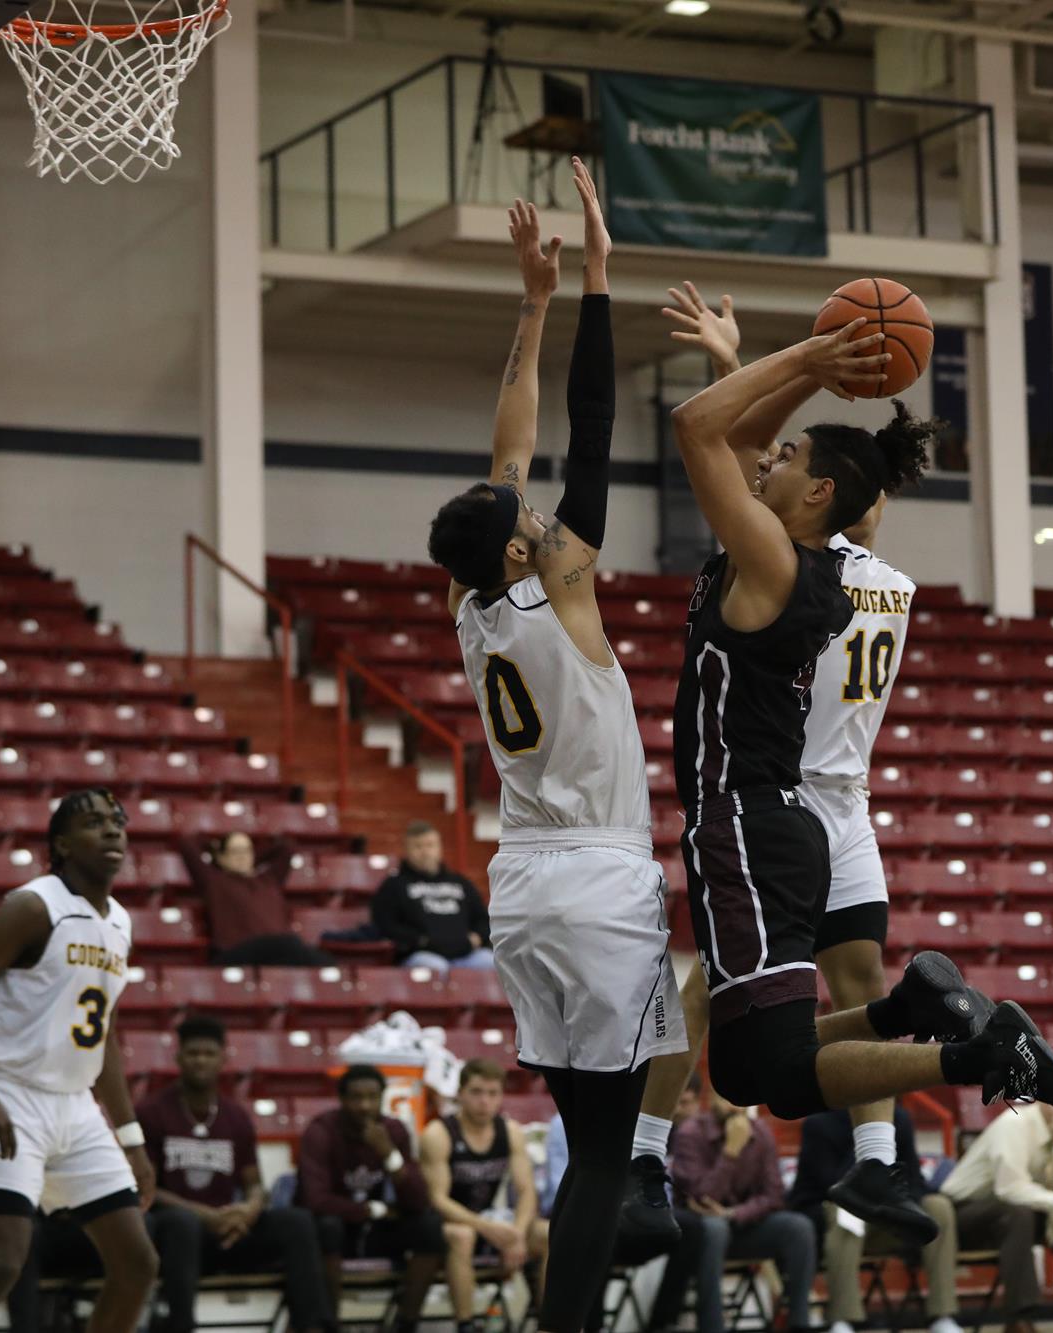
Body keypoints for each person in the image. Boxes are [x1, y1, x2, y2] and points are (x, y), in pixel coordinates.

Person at [626, 288, 1053, 1248]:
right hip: (817, 804)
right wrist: (766, 368)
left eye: (792, 460)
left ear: (824, 497)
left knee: (751, 1039)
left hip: (756, 812)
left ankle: (968, 1054)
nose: (773, 460)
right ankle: (896, 1074)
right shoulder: (858, 574)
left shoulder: (779, 566)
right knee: (768, 1058)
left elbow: (712, 443)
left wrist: (805, 356)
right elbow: (749, 454)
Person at [424, 164, 690, 1333]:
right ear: (525, 553)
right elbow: (588, 428)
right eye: (527, 523)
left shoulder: (472, 605)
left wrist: (527, 307)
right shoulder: (566, 585)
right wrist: (591, 280)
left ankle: (578, 1299)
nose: (537, 514)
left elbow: (510, 454)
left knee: (595, 1142)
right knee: (600, 1150)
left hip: (522, 879)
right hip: (593, 875)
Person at [654, 284, 940, 1241]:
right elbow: (768, 468)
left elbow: (741, 461)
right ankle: (877, 1164)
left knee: (711, 991)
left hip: (777, 792)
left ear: (826, 496)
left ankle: (652, 1146)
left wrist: (765, 370)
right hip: (839, 801)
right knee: (854, 981)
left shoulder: (788, 560)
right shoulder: (891, 584)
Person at [0, 788, 157, 1333]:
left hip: (76, 1107)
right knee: (0, 1264)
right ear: (61, 844)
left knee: (138, 1264)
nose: (111, 831)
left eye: (116, 822)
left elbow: (106, 1039)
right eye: (93, 823)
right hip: (11, 1095)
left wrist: (131, 1138)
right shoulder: (34, 906)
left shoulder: (120, 921)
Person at [137, 1016, 331, 1333]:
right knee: (179, 1224)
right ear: (178, 1058)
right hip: (177, 1236)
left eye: (209, 1054)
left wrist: (249, 1211)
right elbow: (148, 1190)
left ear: (223, 1059)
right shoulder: (151, 1112)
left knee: (296, 1222)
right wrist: (205, 1216)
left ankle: (311, 1325)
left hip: (229, 1232)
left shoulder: (235, 1116)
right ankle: (180, 1325)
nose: (201, 1060)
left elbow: (254, 1184)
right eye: (193, 1053)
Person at [646, 1081, 817, 1333]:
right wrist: (730, 1152)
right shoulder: (691, 1133)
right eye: (723, 1096)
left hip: (742, 1225)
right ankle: (712, 1326)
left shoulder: (760, 1133)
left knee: (798, 1226)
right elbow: (702, 1196)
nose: (733, 1103)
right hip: (699, 1231)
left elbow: (774, 1195)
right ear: (711, 1098)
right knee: (715, 1228)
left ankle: (799, 1323)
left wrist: (734, 1213)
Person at [787, 1106, 961, 1333]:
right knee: (846, 1213)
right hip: (834, 1221)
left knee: (939, 1206)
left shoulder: (899, 1118)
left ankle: (942, 1315)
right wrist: (866, 1141)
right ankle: (843, 1320)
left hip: (887, 1219)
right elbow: (832, 1186)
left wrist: (908, 1212)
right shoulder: (819, 1123)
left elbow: (914, 1178)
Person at [298, 1065, 444, 1333]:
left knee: (429, 1226)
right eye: (356, 1097)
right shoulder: (320, 1131)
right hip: (335, 1234)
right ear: (341, 1099)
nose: (365, 1106)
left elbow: (419, 1201)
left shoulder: (393, 1130)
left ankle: (405, 1323)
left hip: (375, 1232)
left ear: (382, 1098)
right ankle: (330, 1323)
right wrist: (371, 1210)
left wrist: (389, 1155)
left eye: (372, 1097)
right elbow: (314, 1200)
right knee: (327, 1226)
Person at [938, 1103, 1053, 1333]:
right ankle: (1019, 1319)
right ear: (1041, 1098)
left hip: (1010, 1214)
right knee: (1019, 1214)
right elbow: (1010, 1188)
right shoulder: (1013, 1123)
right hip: (961, 1215)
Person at [419, 1058, 550, 1333]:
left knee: (547, 1232)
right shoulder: (438, 1133)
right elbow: (438, 1199)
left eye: (493, 1094)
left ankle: (551, 1321)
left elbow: (526, 1191)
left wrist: (516, 1233)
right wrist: (488, 1229)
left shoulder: (510, 1131)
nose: (484, 1102)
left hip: (490, 1221)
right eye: (476, 1092)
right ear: (460, 1094)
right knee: (462, 1235)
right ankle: (466, 1324)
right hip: (448, 1225)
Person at [182, 831, 334, 967]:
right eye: (235, 851)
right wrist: (213, 848)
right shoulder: (214, 881)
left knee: (327, 963)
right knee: (289, 942)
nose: (242, 856)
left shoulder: (269, 879)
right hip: (236, 951)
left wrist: (253, 859)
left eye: (247, 851)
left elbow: (287, 847)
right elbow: (187, 842)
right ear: (221, 857)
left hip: (277, 952)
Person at [370, 822, 493, 974]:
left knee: (491, 961)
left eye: (430, 845)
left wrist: (477, 937)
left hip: (464, 953)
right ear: (406, 850)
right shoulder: (394, 885)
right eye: (418, 846)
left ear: (439, 848)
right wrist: (421, 941)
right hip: (421, 955)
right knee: (436, 968)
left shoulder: (460, 883)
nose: (425, 851)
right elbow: (386, 924)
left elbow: (483, 919)